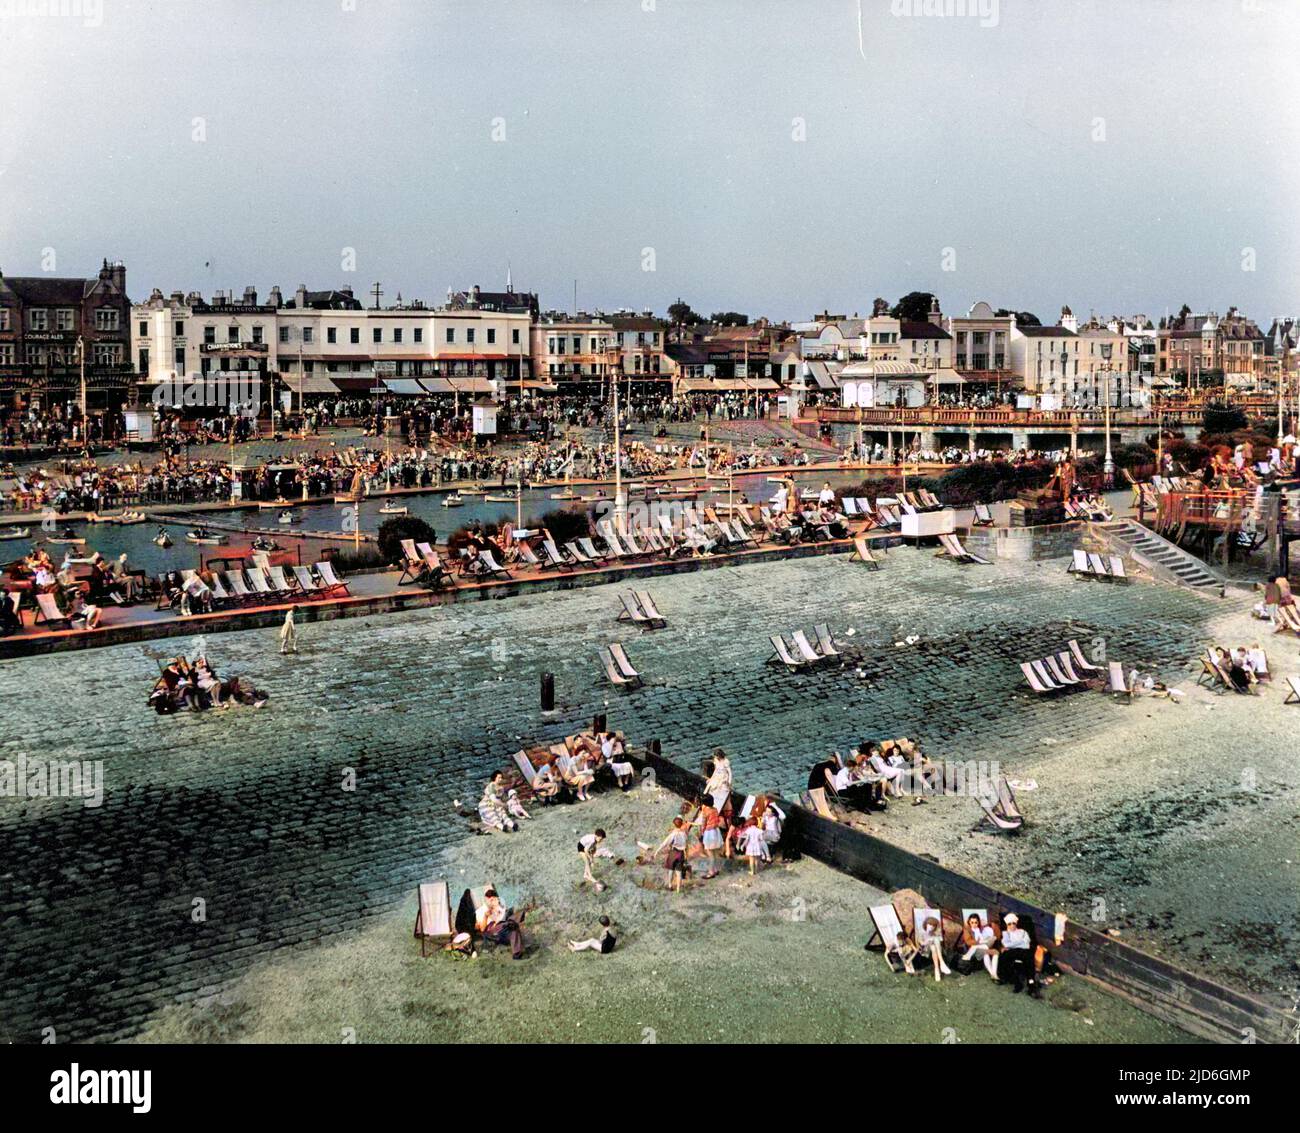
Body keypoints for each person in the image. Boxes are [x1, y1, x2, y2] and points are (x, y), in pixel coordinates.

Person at [475, 888, 526, 960]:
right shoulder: (480, 911)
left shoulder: (498, 907)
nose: (492, 902)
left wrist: (500, 913)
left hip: (503, 928)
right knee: (511, 924)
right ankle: (511, 922)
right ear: (486, 899)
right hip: (492, 930)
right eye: (491, 900)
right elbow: (482, 929)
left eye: (494, 899)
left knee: (513, 927)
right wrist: (485, 916)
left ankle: (517, 954)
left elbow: (502, 917)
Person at [998, 913, 1038, 995]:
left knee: (1029, 959)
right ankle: (1016, 982)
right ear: (1006, 925)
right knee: (1004, 956)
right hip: (1013, 952)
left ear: (1016, 923)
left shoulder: (1023, 932)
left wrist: (1012, 944)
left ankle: (1031, 983)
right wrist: (1020, 942)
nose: (1012, 925)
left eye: (1013, 923)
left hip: (1023, 951)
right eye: (1009, 924)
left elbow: (1027, 945)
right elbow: (1006, 944)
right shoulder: (1005, 933)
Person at [656, 816, 690, 892]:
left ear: (674, 824)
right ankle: (678, 889)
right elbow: (687, 844)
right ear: (681, 824)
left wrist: (657, 851)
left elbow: (664, 843)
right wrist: (686, 854)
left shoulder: (673, 834)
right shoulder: (684, 834)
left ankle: (670, 885)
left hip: (673, 853)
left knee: (671, 870)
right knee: (679, 872)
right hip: (681, 854)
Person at [915, 915, 952, 983]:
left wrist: (936, 933)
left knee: (934, 945)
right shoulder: (921, 932)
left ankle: (937, 970)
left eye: (933, 926)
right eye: (930, 925)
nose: (931, 927)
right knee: (933, 942)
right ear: (926, 924)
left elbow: (940, 941)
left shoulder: (935, 932)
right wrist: (928, 941)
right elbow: (921, 944)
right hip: (925, 950)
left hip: (934, 949)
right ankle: (942, 963)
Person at [694, 799, 724, 879]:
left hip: (709, 832)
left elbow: (703, 823)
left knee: (710, 854)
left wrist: (701, 832)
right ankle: (716, 869)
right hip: (716, 831)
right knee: (715, 852)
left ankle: (711, 872)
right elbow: (717, 820)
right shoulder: (715, 809)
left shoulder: (705, 811)